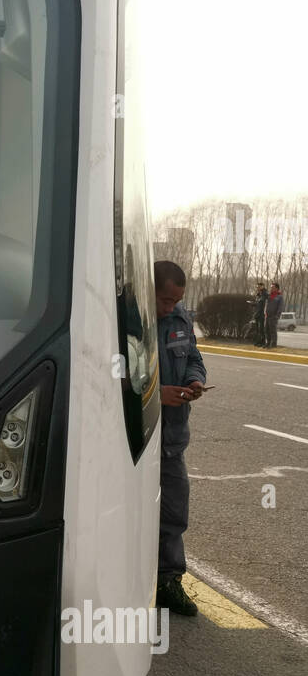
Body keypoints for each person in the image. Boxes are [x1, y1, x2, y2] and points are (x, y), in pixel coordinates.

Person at [155, 260, 208, 616]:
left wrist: (195, 381)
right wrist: (154, 393)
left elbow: (193, 357)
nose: (170, 307)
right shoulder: (124, 320)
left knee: (174, 511)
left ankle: (167, 581)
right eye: (165, 300)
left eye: (176, 301)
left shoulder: (180, 319)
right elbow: (101, 373)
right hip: (129, 439)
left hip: (171, 439)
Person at [264, 282, 283, 348]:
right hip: (267, 316)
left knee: (273, 331)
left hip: (273, 316)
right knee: (266, 330)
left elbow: (280, 307)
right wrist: (265, 312)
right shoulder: (269, 296)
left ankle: (273, 344)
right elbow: (266, 304)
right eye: (271, 287)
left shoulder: (279, 297)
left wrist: (277, 316)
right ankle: (268, 343)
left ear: (277, 288)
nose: (271, 288)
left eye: (272, 287)